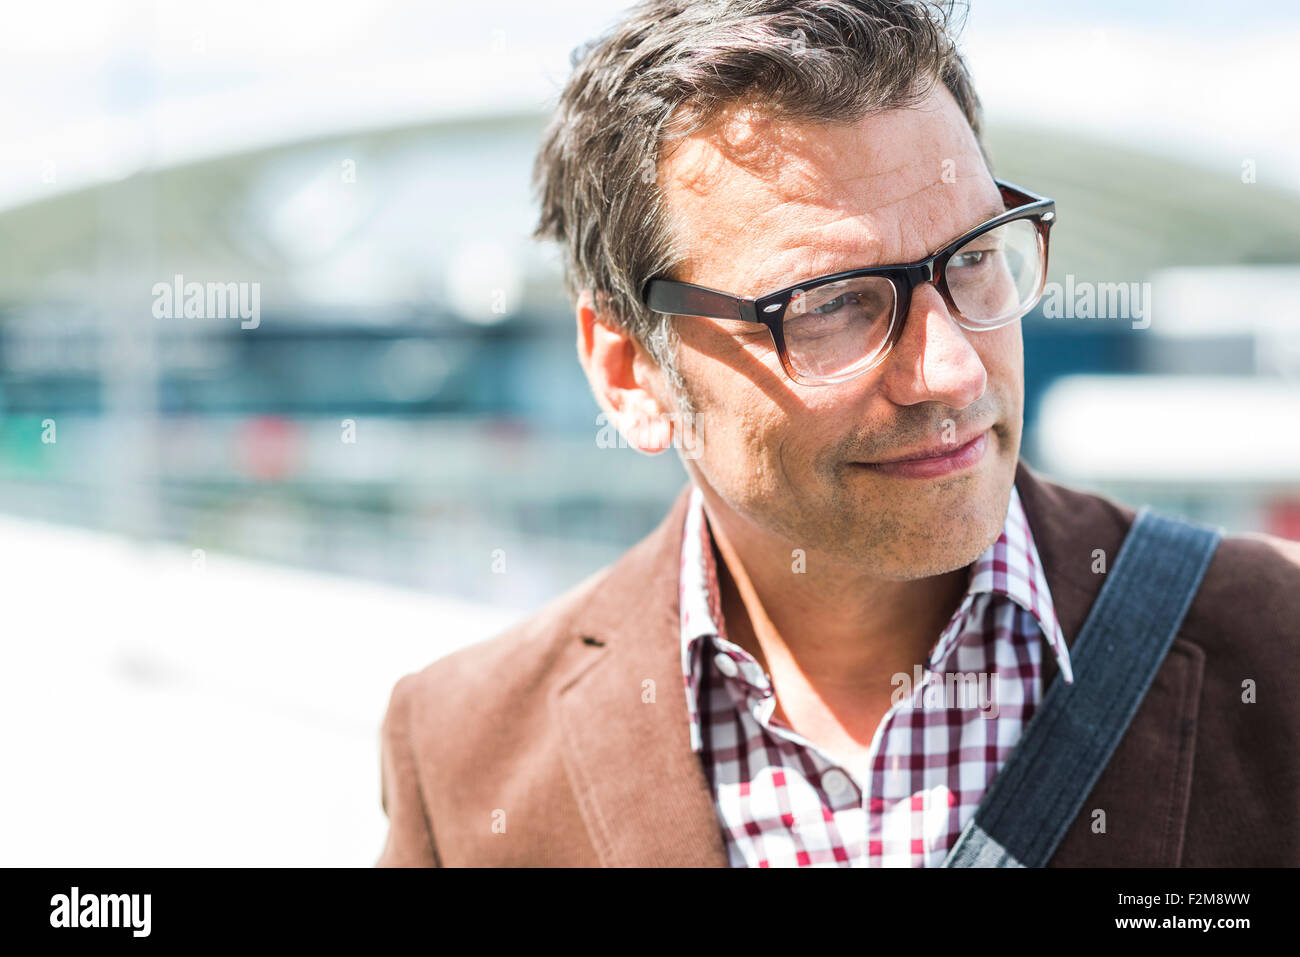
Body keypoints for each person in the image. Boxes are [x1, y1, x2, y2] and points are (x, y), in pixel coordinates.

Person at [376, 0, 1300, 867]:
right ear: (631, 374)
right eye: (830, 305)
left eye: (976, 258)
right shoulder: (464, 752)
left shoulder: (1275, 643)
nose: (954, 371)